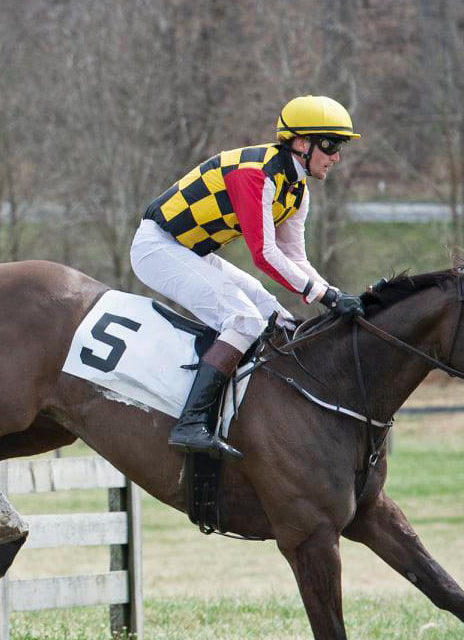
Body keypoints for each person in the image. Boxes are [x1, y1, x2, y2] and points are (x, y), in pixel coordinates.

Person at [131, 95, 365, 459]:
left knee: (276, 315)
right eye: (330, 144)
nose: (336, 156)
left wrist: (333, 292)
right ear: (301, 143)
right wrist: (325, 297)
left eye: (340, 147)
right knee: (242, 320)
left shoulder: (298, 189)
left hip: (190, 251)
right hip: (157, 247)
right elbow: (265, 255)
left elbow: (295, 257)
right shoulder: (256, 175)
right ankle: (191, 423)